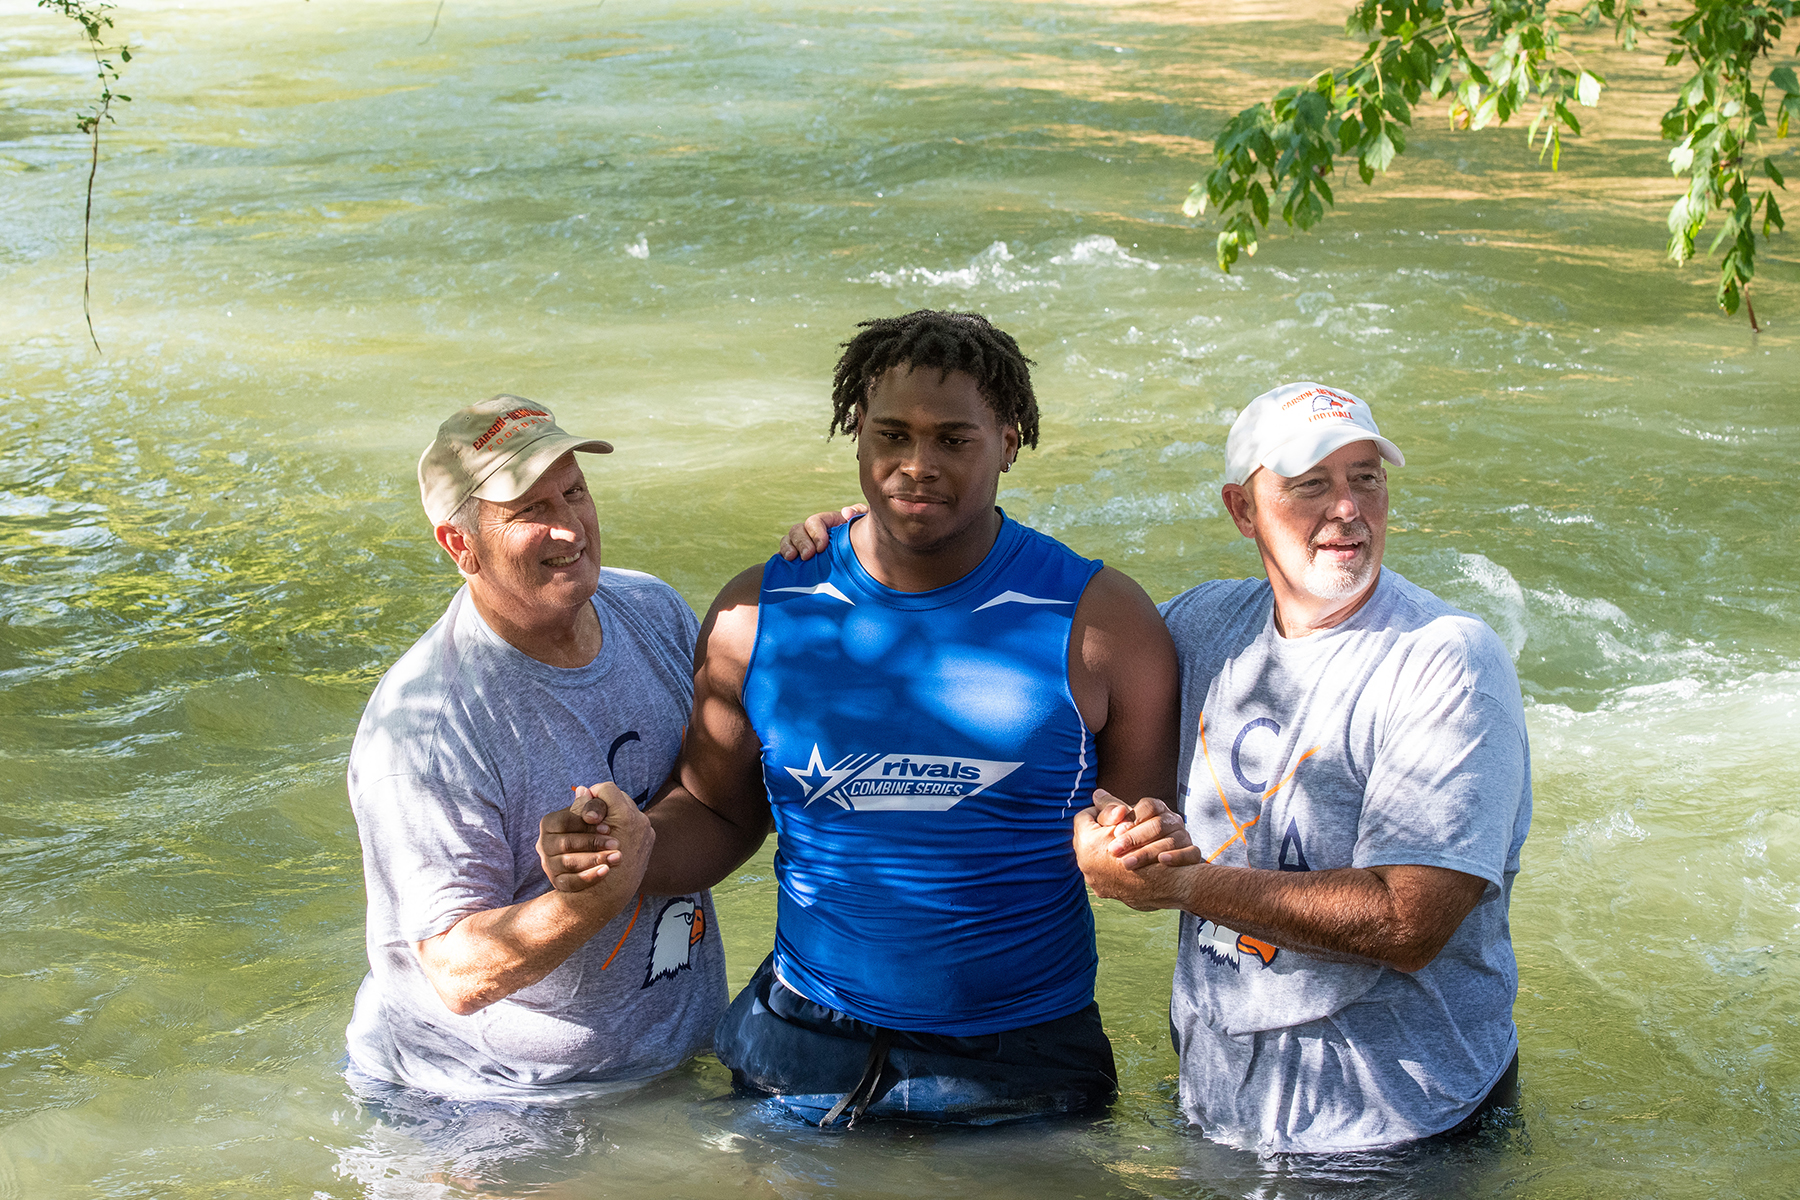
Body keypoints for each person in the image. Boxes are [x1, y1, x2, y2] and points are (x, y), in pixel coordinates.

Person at [540, 310, 1185, 1125]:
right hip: (801, 1044)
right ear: (855, 434)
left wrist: (1135, 855)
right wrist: (622, 852)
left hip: (1025, 1060)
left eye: (955, 440)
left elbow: (1140, 847)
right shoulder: (758, 613)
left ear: (1011, 440)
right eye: (892, 435)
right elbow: (715, 811)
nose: (917, 466)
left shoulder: (1101, 624)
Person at [1075, 381, 1532, 1153]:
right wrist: (894, 538)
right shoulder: (1202, 626)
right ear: (1241, 509)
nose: (1348, 508)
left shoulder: (1447, 661)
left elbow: (1407, 920)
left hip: (1401, 1132)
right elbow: (1045, 684)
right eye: (1311, 484)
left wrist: (1183, 885)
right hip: (1219, 1107)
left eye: (1366, 478)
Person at [344, 395, 726, 1099]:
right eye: (528, 512)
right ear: (461, 546)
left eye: (574, 492)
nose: (570, 527)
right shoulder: (427, 728)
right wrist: (588, 896)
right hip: (491, 1101)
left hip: (674, 1062)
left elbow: (715, 791)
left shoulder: (651, 610)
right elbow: (455, 972)